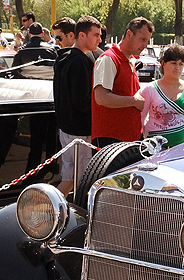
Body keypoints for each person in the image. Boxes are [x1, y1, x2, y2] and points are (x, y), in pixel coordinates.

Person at [53, 15, 102, 197]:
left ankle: (50, 211)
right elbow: (83, 101)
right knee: (83, 182)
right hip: (80, 133)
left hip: (65, 129)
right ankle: (75, 219)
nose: (100, 39)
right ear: (82, 35)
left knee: (69, 178)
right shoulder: (81, 61)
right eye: (96, 34)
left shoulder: (62, 58)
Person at [91, 16, 152, 148]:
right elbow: (101, 98)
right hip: (111, 142)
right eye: (142, 40)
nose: (145, 46)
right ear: (129, 34)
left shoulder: (130, 61)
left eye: (147, 41)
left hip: (128, 140)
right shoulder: (109, 59)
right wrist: (134, 101)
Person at [140, 44, 184, 148]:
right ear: (163, 63)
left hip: (180, 148)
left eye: (181, 64)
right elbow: (140, 120)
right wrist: (149, 139)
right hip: (154, 148)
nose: (177, 68)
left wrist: (183, 136)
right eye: (173, 63)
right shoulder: (150, 89)